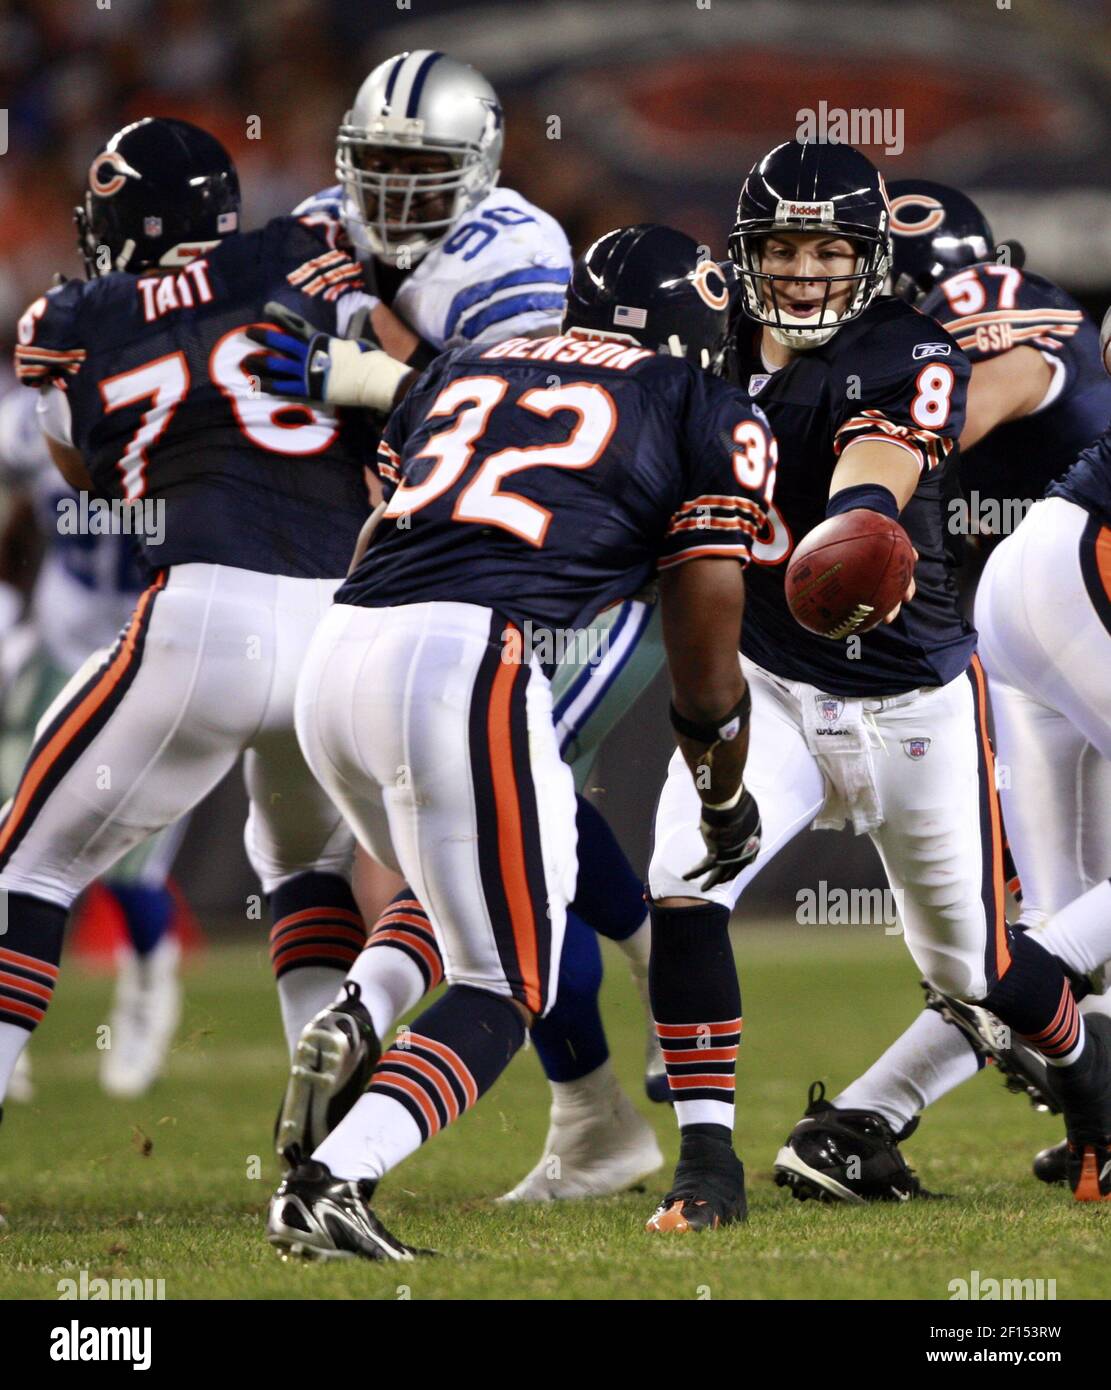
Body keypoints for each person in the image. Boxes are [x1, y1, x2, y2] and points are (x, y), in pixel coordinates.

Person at [264, 225, 774, 1261]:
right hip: (460, 659)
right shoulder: (698, 400)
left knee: (505, 871)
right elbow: (708, 623)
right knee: (508, 979)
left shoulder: (471, 360)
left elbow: (384, 521)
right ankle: (334, 1180)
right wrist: (719, 775)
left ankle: (368, 1003)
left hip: (338, 646)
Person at [644, 140, 1111, 1230]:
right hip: (770, 687)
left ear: (865, 258)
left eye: (825, 248)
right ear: (743, 252)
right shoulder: (696, 350)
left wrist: (858, 527)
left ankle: (1091, 1089)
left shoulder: (903, 349)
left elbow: (877, 466)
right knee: (683, 879)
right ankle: (705, 1166)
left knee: (974, 963)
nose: (803, 272)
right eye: (781, 248)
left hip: (910, 701)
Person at [284, 49, 670, 1198]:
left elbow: (491, 413)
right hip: (430, 569)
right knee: (502, 831)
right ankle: (602, 1095)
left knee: (513, 812)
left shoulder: (521, 253)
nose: (394, 191)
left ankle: (607, 1061)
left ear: (483, 165)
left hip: (562, 579)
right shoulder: (317, 218)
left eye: (423, 166)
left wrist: (363, 358)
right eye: (379, 165)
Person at [0, 115, 395, 1127]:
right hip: (342, 625)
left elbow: (85, 469)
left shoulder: (72, 315)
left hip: (206, 617)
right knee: (306, 866)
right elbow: (388, 385)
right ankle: (325, 1151)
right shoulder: (308, 255)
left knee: (27, 867)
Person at [777, 182, 1111, 1201]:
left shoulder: (913, 334)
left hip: (1028, 577)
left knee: (1058, 926)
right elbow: (961, 409)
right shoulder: (985, 318)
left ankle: (859, 1124)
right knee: (1056, 937)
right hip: (1080, 565)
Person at [0, 388, 187, 1099]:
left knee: (127, 861)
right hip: (58, 646)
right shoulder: (32, 419)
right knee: (12, 840)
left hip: (150, 656)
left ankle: (147, 987)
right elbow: (21, 515)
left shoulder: (177, 415)